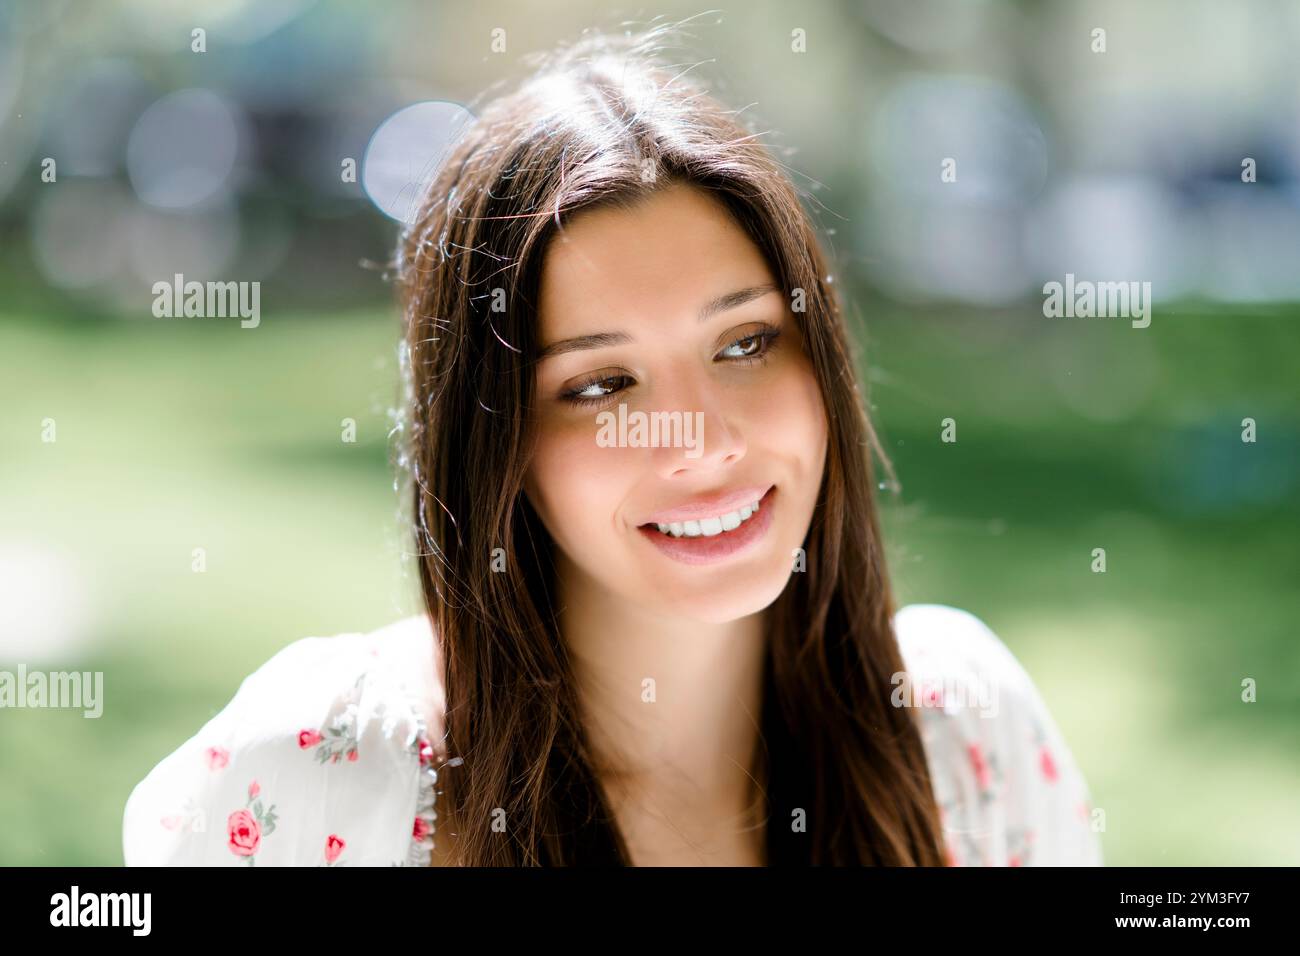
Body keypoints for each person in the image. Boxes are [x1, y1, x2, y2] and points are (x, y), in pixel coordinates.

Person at [122, 24, 1102, 867]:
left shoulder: (962, 732)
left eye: (746, 342)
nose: (702, 440)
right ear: (494, 435)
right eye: (599, 383)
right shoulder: (326, 767)